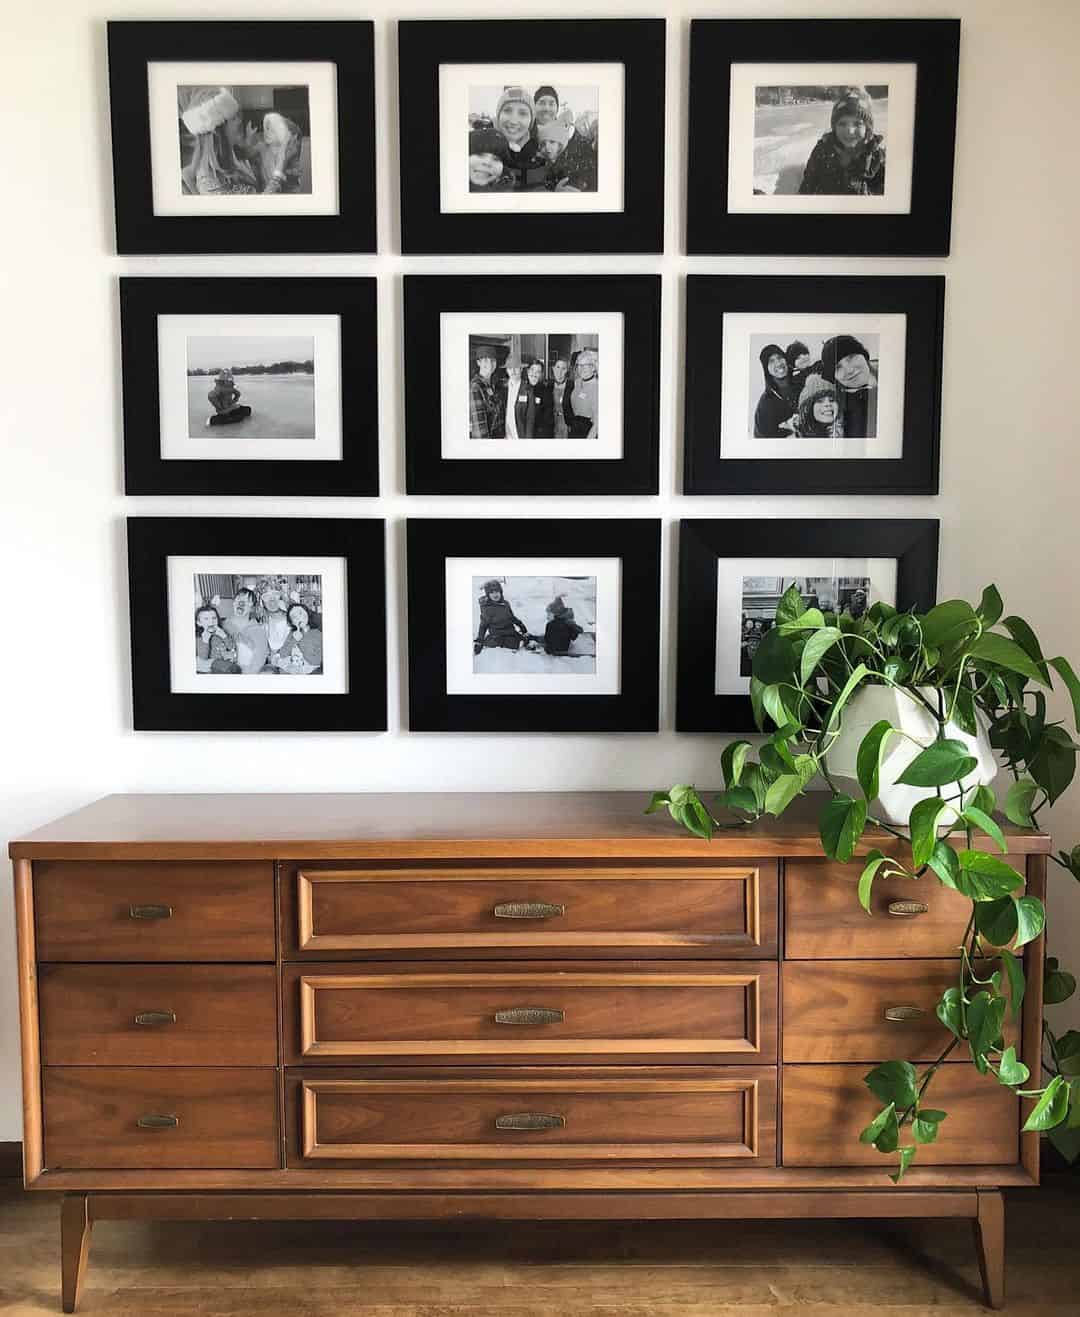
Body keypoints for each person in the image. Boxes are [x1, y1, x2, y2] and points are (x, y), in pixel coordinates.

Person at [798, 87, 886, 197]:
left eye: (857, 124)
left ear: (868, 128)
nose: (849, 131)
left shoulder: (877, 156)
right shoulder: (822, 151)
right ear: (834, 127)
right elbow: (806, 188)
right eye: (842, 124)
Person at [820, 334, 878, 438]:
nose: (849, 370)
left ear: (864, 356)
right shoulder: (840, 411)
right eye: (838, 367)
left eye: (851, 357)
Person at [492, 86, 547, 191]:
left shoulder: (539, 156)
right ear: (498, 116)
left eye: (522, 113)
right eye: (507, 110)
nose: (513, 121)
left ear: (531, 120)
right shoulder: (481, 150)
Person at [752, 344, 798, 438]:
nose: (778, 363)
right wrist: (790, 432)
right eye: (771, 361)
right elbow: (763, 436)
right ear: (766, 369)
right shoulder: (766, 402)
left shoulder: (801, 383)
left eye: (780, 357)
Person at [221, 586, 268, 674]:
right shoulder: (222, 626)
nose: (241, 602)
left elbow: (259, 660)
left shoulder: (258, 631)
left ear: (252, 608)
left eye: (248, 601)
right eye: (239, 598)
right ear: (234, 602)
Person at [474, 580, 529, 653]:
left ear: (501, 592)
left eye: (497, 592)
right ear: (488, 595)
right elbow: (483, 625)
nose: (495, 594)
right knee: (496, 642)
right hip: (496, 634)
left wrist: (520, 625)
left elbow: (511, 617)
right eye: (492, 592)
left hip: (509, 631)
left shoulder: (505, 604)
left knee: (522, 640)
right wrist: (480, 640)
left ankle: (521, 641)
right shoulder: (487, 608)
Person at [273, 602, 323, 674]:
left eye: (300, 613)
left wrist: (301, 641)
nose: (299, 617)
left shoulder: (318, 634)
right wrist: (294, 640)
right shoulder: (292, 634)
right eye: (294, 617)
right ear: (292, 622)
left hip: (308, 670)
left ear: (307, 613)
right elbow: (282, 654)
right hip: (289, 668)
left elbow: (316, 661)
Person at [511, 360, 554, 438]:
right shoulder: (519, 388)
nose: (534, 374)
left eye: (538, 372)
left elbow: (547, 420)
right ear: (527, 371)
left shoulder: (546, 392)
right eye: (532, 370)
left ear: (541, 374)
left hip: (538, 435)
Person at [469, 348, 505, 439]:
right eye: (485, 360)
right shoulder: (475, 387)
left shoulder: (492, 384)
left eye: (492, 360)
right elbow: (479, 428)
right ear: (478, 362)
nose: (489, 364)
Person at [195, 604, 240, 674]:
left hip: (226, 665)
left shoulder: (222, 632)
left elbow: (232, 647)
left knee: (233, 669)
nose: (211, 621)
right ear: (199, 623)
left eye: (214, 618)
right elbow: (203, 658)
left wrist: (224, 636)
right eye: (206, 619)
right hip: (210, 669)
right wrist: (205, 640)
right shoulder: (199, 638)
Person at [565, 348, 599, 438]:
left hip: (589, 431)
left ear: (593, 367)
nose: (580, 368)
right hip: (574, 428)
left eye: (585, 365)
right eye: (579, 365)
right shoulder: (577, 382)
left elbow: (597, 423)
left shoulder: (598, 387)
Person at [550, 358, 572, 438]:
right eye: (558, 367)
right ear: (553, 368)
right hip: (551, 424)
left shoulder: (572, 386)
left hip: (565, 425)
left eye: (563, 368)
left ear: (567, 371)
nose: (560, 372)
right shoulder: (547, 386)